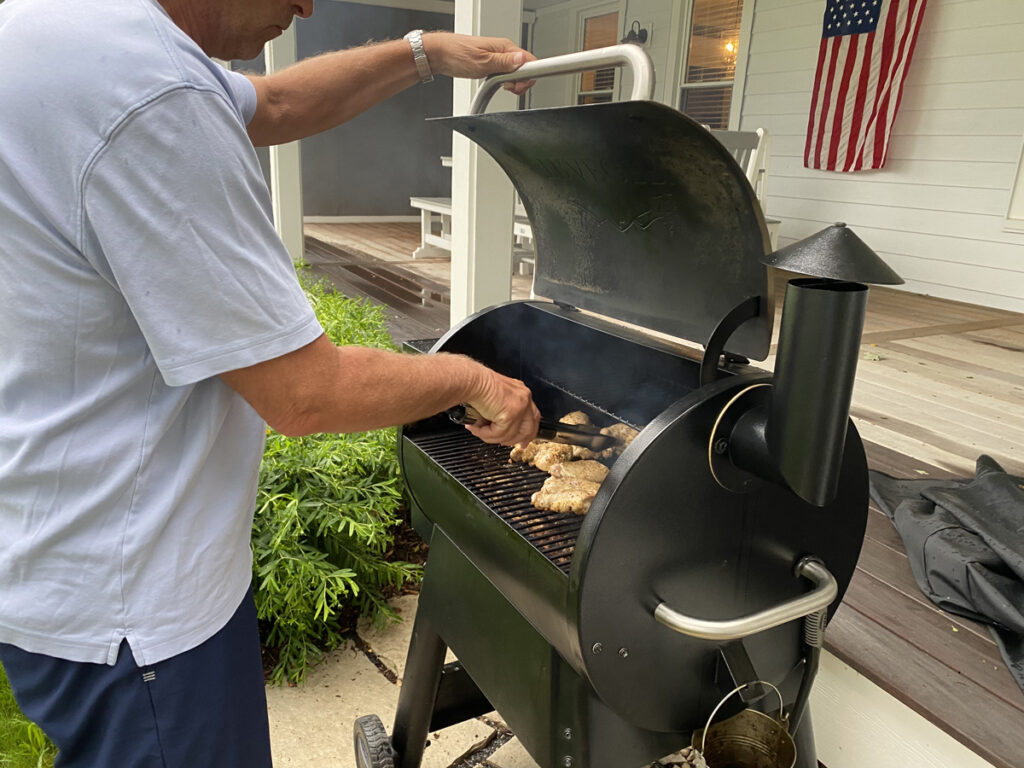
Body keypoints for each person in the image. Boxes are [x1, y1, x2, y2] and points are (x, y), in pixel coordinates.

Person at [0, 0, 540, 764]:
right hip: (138, 615)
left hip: (65, 555)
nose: (308, 6)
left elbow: (277, 101)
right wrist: (473, 377)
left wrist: (425, 51)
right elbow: (307, 392)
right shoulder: (149, 93)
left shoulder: (70, 31)